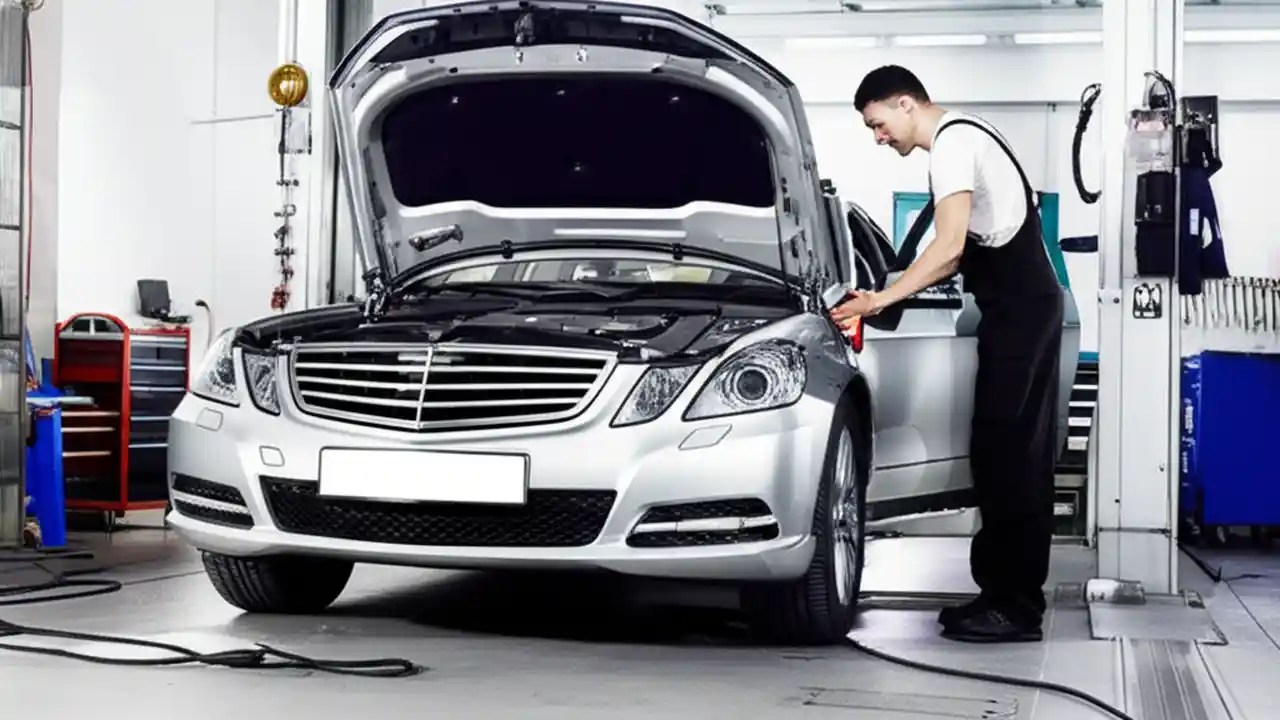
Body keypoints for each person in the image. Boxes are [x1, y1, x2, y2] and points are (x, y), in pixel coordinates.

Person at [831, 65, 1064, 643]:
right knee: (998, 451)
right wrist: (887, 298)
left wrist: (880, 299)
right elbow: (948, 252)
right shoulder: (975, 134)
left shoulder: (955, 144)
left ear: (906, 104)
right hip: (1020, 310)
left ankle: (1017, 608)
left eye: (878, 123)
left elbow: (950, 246)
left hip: (1021, 314)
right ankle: (998, 595)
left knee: (1011, 456)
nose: (879, 137)